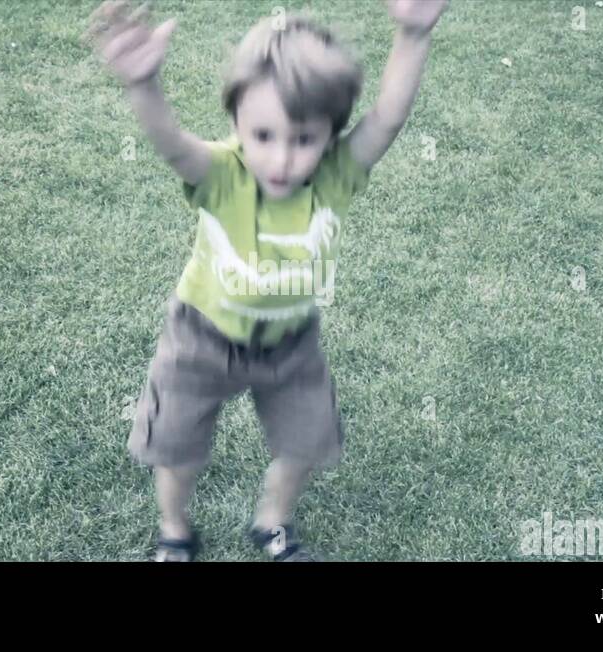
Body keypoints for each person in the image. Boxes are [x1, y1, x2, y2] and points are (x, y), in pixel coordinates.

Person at [83, 0, 449, 561]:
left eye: (303, 139)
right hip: (200, 339)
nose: (280, 159)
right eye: (262, 135)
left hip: (291, 344)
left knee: (305, 442)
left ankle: (273, 524)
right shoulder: (221, 174)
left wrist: (413, 31)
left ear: (330, 137)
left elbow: (388, 118)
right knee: (177, 450)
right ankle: (175, 532)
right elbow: (172, 143)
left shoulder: (335, 176)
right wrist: (144, 85)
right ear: (235, 124)